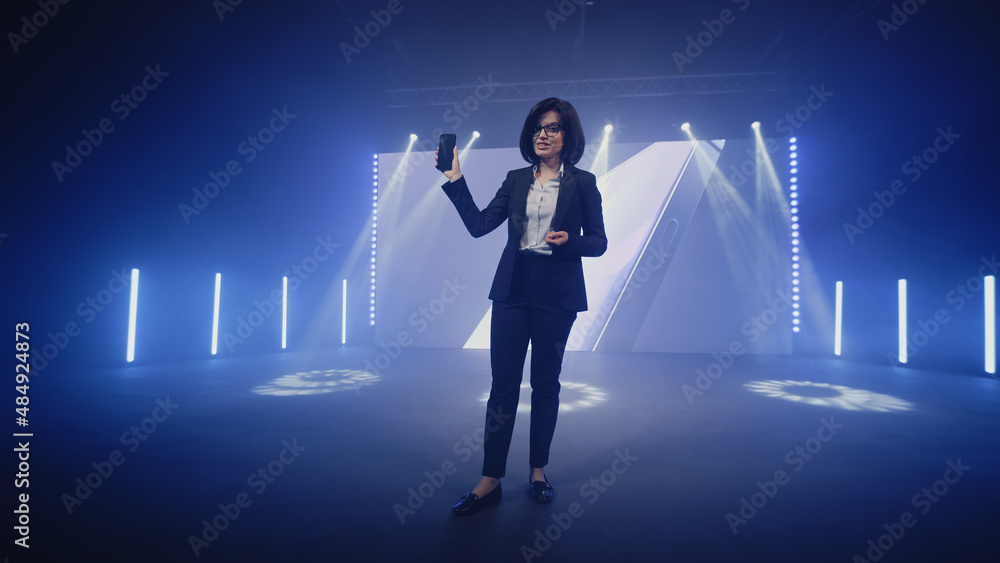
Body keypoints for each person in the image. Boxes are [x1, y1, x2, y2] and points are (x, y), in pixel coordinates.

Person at [435, 98, 607, 516]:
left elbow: (599, 242)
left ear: (568, 135)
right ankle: (490, 479)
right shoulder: (515, 180)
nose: (542, 135)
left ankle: (537, 472)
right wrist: (455, 179)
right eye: (537, 128)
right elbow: (479, 226)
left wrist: (573, 241)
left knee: (546, 384)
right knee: (503, 387)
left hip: (556, 292)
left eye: (551, 128)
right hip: (513, 289)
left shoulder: (583, 182)